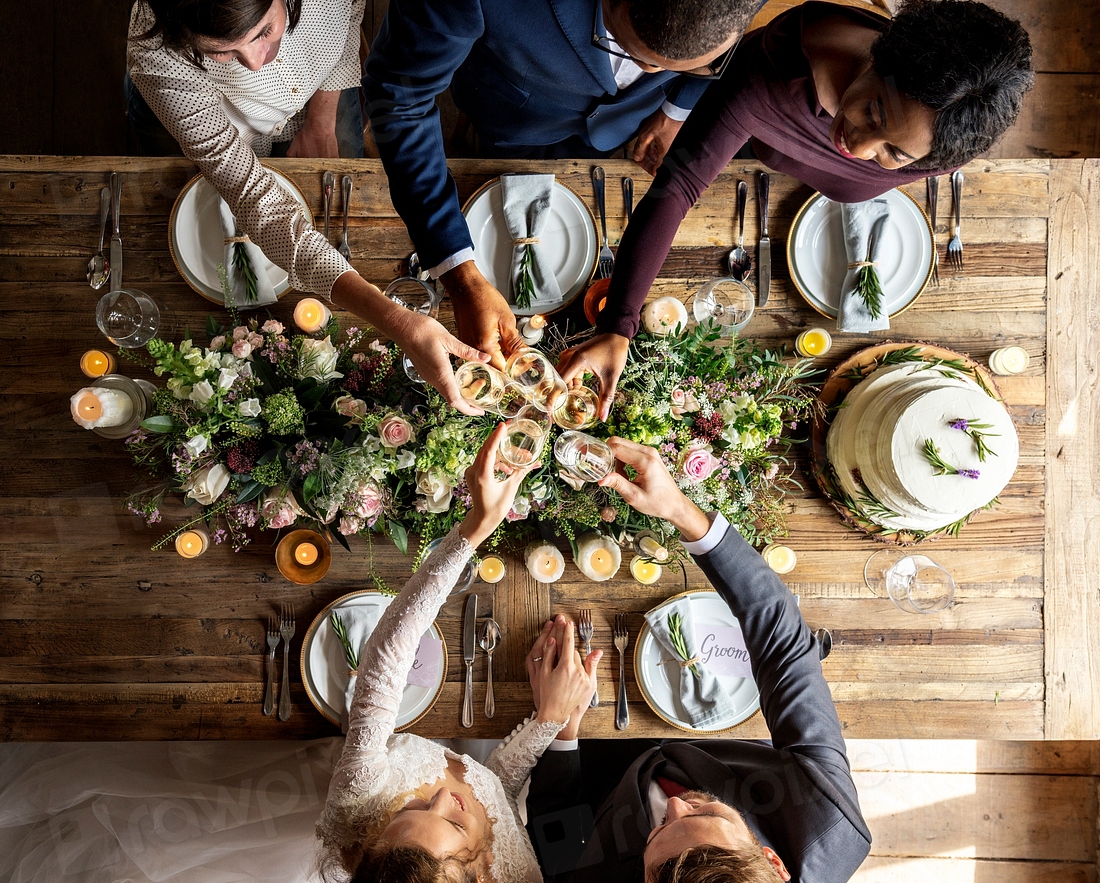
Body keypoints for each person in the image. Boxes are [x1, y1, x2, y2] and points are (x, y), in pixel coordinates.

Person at [557, 0, 1034, 416]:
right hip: (754, 131)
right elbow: (679, 185)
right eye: (874, 112)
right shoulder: (773, 72)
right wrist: (620, 324)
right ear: (877, 56)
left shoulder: (946, 138)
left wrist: (890, 146)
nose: (861, 147)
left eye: (896, 155)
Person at [524, 436, 872, 883]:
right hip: (730, 745)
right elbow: (784, 644)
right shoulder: (829, 824)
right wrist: (681, 511)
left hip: (599, 772)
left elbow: (559, 845)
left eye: (660, 832)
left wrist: (559, 728)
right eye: (704, 815)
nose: (673, 804)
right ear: (773, 861)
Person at [127, 0, 487, 413]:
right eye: (221, 53)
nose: (255, 63)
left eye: (264, 31)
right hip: (207, 116)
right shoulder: (156, 54)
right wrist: (398, 322)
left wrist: (321, 118)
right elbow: (255, 199)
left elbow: (350, 16)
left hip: (322, 83)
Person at [362, 0, 761, 365]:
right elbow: (399, 101)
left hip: (633, 126)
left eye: (685, 65)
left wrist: (675, 109)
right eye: (637, 56)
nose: (649, 74)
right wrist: (459, 273)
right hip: (511, 117)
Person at [317, 423, 603, 883]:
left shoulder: (360, 800)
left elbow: (387, 658)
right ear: (487, 868)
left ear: (375, 838)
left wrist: (475, 528)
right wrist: (551, 719)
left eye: (411, 808)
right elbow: (498, 795)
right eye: (454, 822)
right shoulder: (519, 876)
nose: (444, 800)